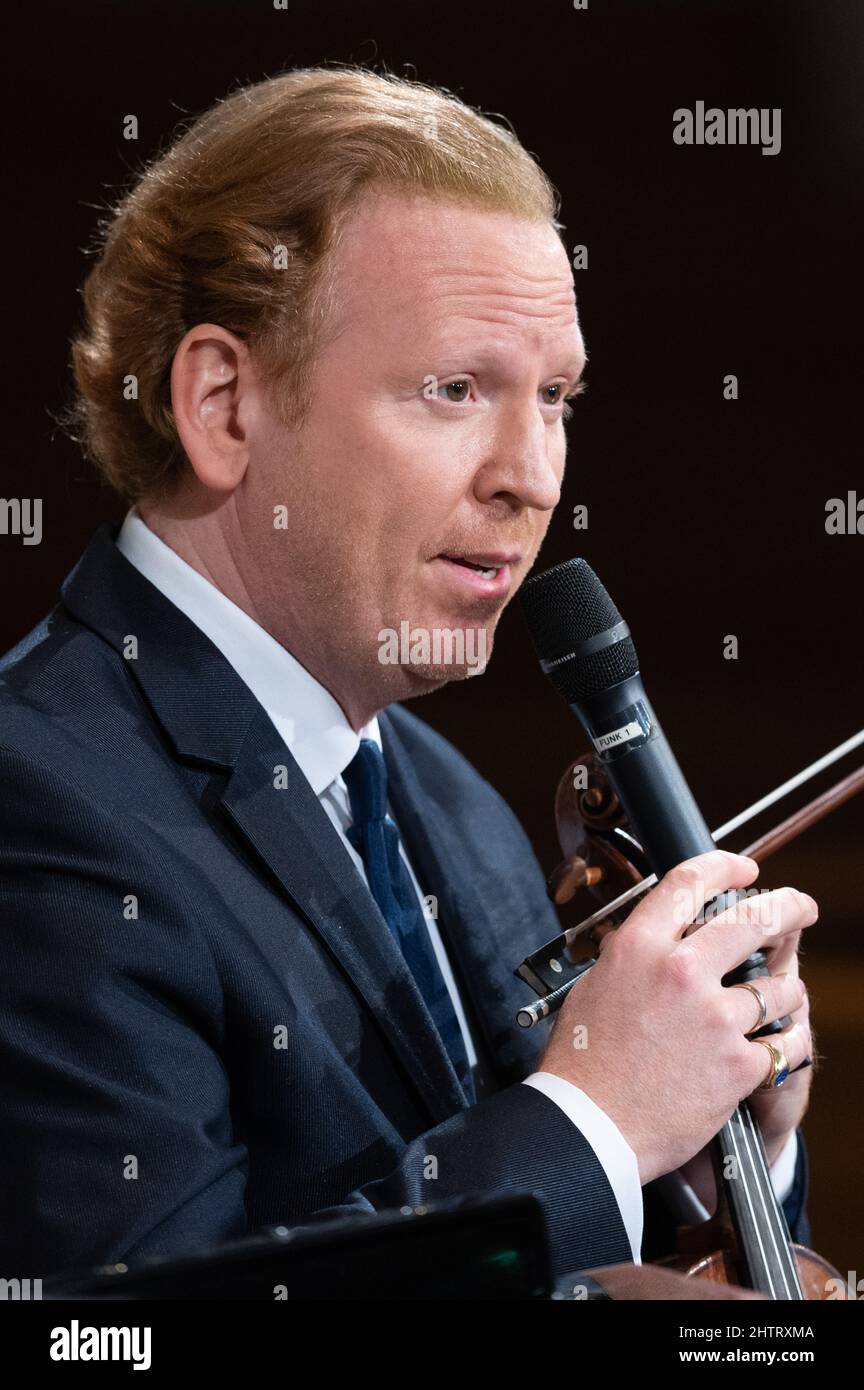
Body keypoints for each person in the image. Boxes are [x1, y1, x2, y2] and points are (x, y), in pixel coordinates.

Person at [0, 64, 814, 1294]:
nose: (532, 474)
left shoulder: (445, 800)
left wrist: (713, 1139)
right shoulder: (35, 801)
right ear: (224, 405)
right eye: (455, 389)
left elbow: (558, 1241)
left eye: (554, 397)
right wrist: (595, 1122)